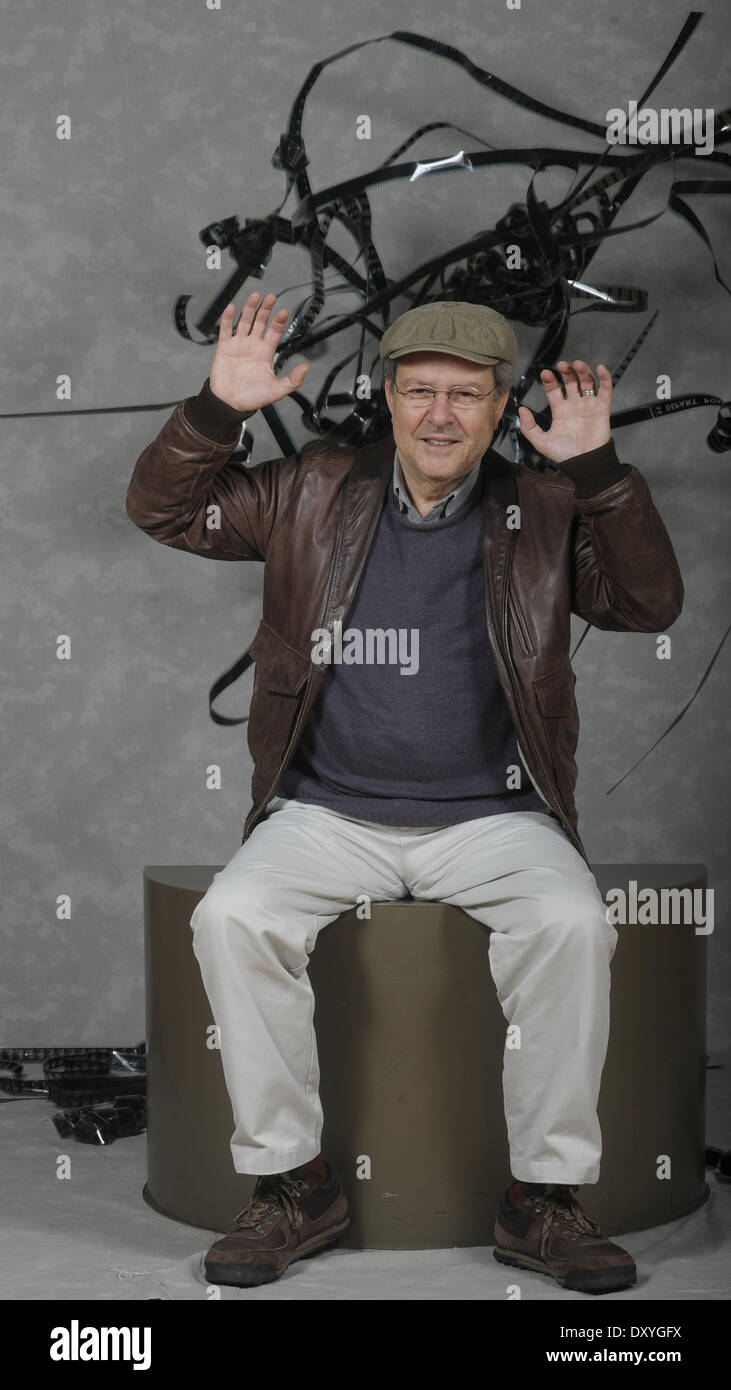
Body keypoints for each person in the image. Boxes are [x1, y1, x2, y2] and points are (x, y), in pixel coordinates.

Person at [126, 291, 684, 1295]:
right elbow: (164, 508)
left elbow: (647, 603)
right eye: (417, 389)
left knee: (570, 925)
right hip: (324, 809)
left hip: (495, 814)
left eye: (463, 395)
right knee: (231, 918)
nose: (437, 414)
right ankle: (295, 1184)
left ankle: (541, 1201)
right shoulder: (310, 489)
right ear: (385, 398)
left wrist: (596, 472)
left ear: (499, 405)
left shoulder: (543, 507)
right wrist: (218, 407)